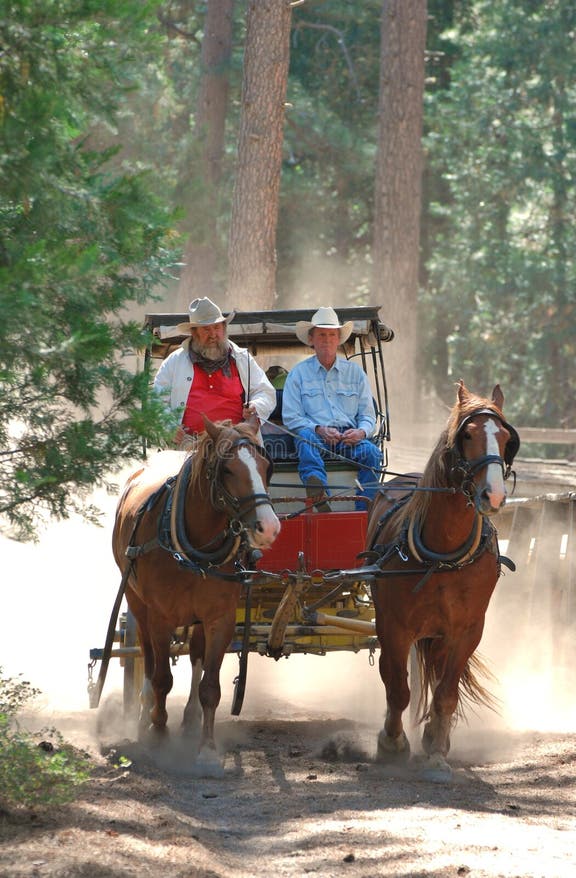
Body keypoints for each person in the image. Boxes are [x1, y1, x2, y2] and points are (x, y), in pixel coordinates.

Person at [282, 306, 382, 511]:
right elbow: (291, 417)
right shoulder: (298, 374)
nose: (327, 339)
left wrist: (361, 432)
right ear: (312, 340)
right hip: (315, 437)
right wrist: (319, 429)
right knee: (304, 437)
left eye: (331, 334)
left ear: (338, 339)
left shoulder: (356, 373)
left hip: (349, 439)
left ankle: (365, 511)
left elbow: (368, 415)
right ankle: (319, 493)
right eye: (321, 334)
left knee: (372, 453)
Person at [153, 297, 276, 448]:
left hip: (237, 442)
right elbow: (156, 401)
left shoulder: (241, 358)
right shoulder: (174, 362)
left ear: (224, 328)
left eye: (216, 327)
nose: (213, 334)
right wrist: (169, 426)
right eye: (206, 329)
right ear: (194, 333)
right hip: (190, 445)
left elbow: (266, 393)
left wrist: (255, 407)